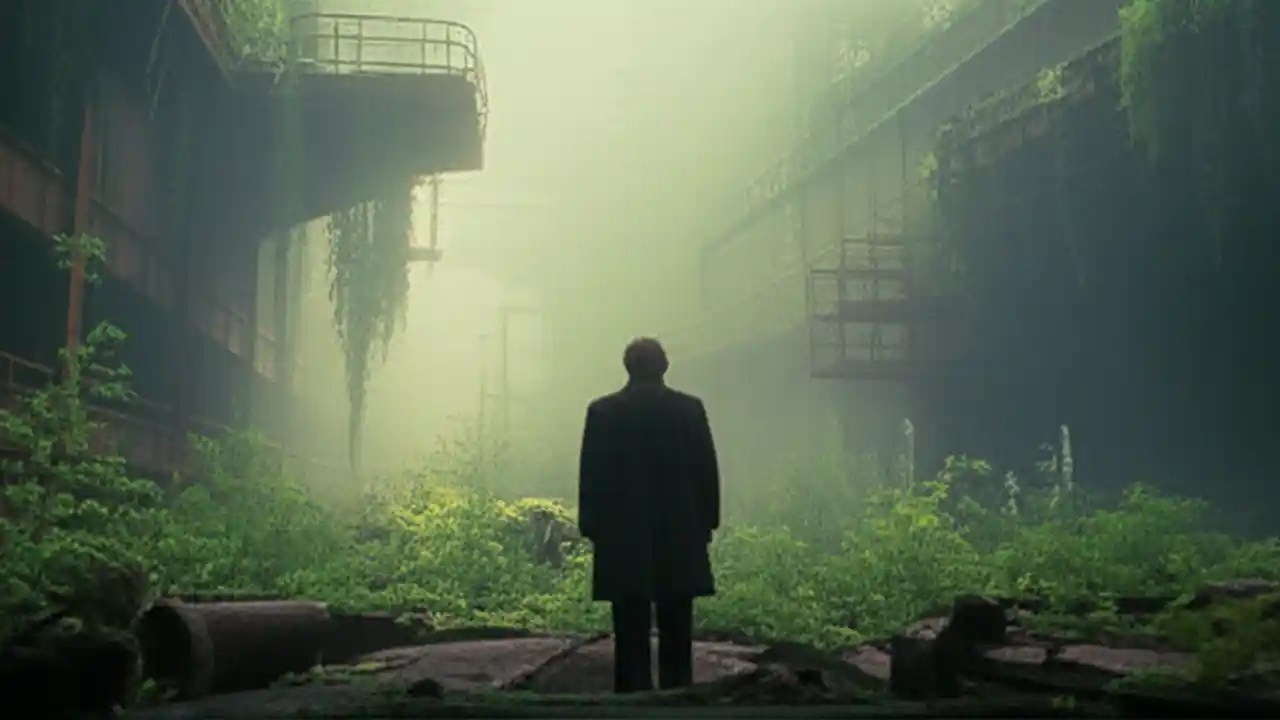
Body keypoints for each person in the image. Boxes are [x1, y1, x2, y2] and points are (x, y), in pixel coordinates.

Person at [577, 337, 721, 693]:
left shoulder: (603, 412)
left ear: (627, 367)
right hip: (679, 530)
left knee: (629, 626)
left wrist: (592, 527)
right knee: (677, 624)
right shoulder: (689, 410)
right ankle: (677, 696)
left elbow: (591, 474)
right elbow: (706, 471)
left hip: (622, 534)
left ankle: (631, 699)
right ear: (664, 367)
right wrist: (708, 522)